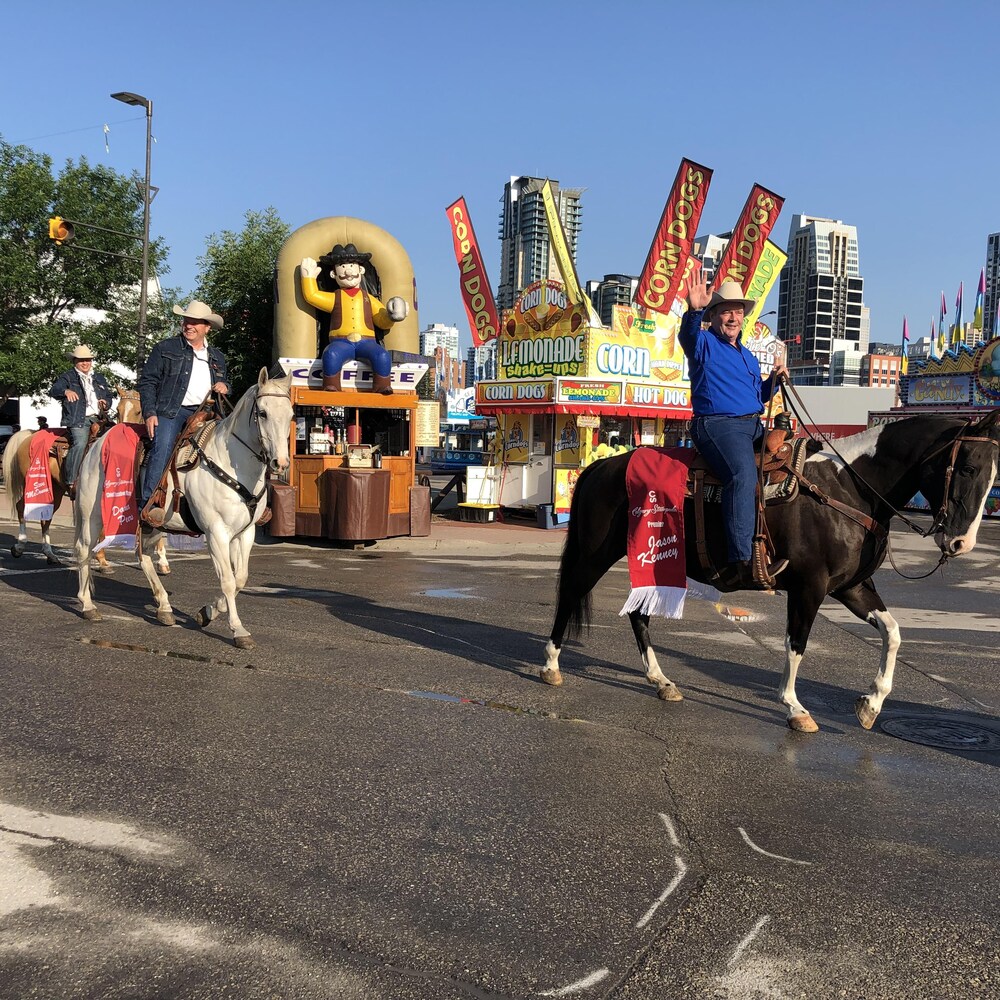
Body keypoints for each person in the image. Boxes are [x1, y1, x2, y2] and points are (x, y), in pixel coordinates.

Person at [680, 279, 789, 590]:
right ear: (713, 316)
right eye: (726, 311)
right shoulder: (703, 342)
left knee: (794, 460)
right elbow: (687, 337)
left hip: (753, 424)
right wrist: (693, 310)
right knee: (742, 475)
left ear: (744, 317)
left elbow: (758, 397)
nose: (732, 318)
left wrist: (775, 381)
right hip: (717, 425)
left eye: (737, 312)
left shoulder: (748, 356)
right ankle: (743, 559)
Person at [137, 300, 230, 524]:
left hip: (209, 411)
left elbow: (225, 382)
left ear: (207, 327)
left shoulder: (217, 356)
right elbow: (148, 381)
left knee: (234, 443)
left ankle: (242, 503)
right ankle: (150, 504)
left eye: (195, 322)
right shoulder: (165, 348)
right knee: (163, 446)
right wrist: (150, 412)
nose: (189, 325)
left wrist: (225, 386)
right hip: (172, 411)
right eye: (187, 321)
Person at [299, 243, 409, 394]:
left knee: (382, 355)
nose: (348, 271)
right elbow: (312, 296)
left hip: (367, 342)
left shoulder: (368, 299)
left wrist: (393, 316)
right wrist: (308, 278)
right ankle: (331, 386)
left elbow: (381, 320)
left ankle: (382, 385)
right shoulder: (335, 298)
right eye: (342, 267)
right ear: (334, 274)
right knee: (331, 355)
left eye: (351, 265)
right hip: (341, 342)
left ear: (361, 270)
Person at [49, 344, 113, 497]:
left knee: (117, 441)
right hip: (79, 420)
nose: (85, 363)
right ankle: (71, 481)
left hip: (100, 419)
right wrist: (66, 391)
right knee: (80, 443)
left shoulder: (99, 377)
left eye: (88, 360)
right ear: (75, 361)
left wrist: (106, 402)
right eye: (81, 360)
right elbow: (53, 390)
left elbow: (109, 396)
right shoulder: (68, 377)